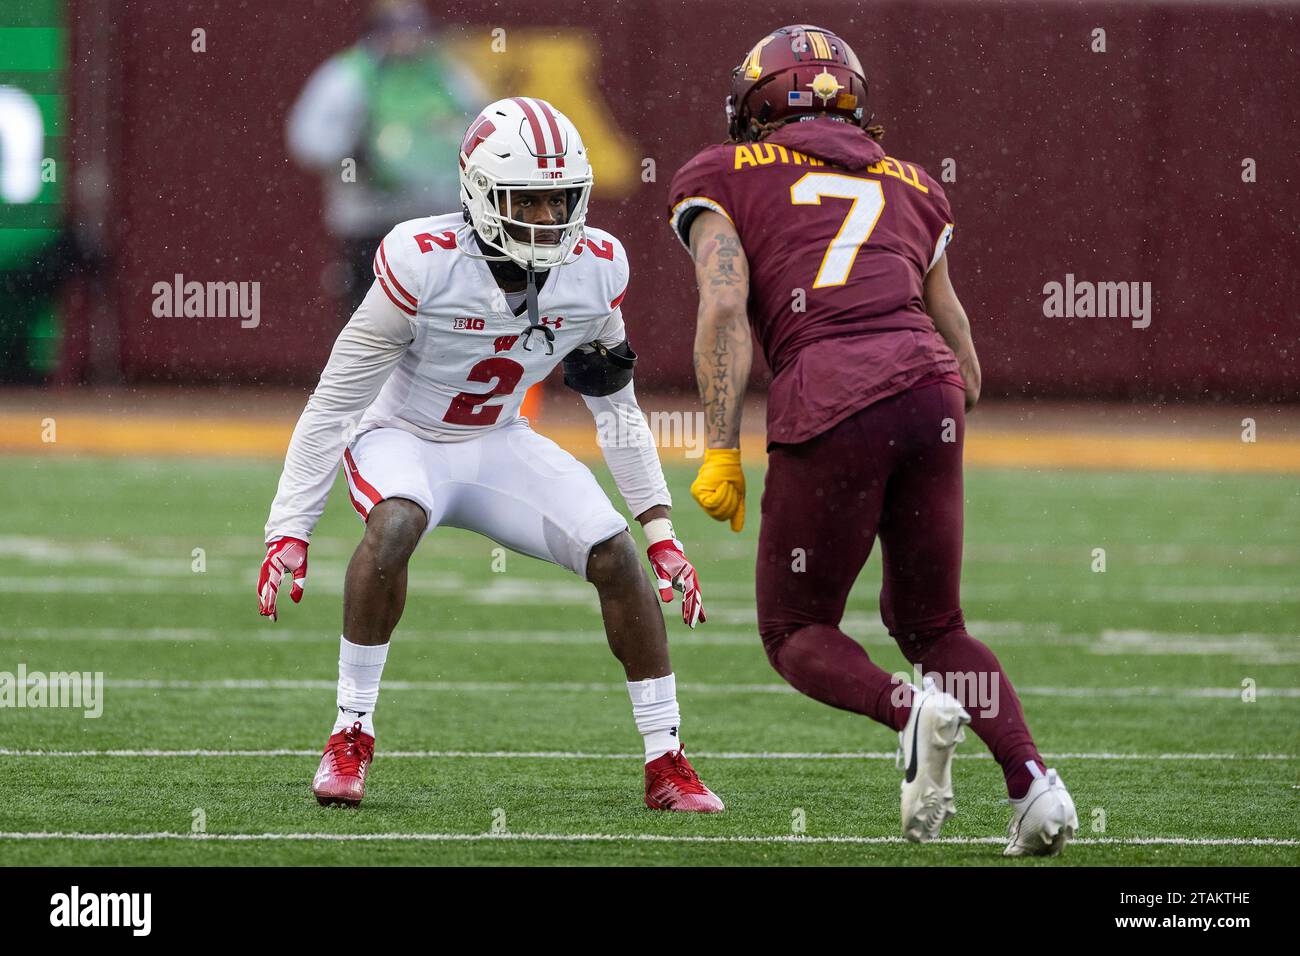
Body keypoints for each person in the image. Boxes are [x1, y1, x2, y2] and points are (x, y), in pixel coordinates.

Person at [668, 24, 1075, 854]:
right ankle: (1034, 786)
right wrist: (925, 424)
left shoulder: (723, 172)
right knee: (934, 625)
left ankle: (909, 710)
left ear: (754, 105)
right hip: (930, 389)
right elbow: (962, 352)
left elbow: (721, 307)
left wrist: (719, 445)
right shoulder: (913, 182)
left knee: (794, 629)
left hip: (832, 389)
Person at [259, 96, 723, 814]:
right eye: (527, 201)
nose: (547, 219)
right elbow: (336, 404)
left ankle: (666, 759)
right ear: (479, 193)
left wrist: (661, 532)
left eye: (560, 200)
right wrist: (288, 529)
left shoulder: (596, 268)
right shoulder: (422, 262)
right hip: (401, 435)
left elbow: (616, 408)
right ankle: (350, 732)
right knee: (396, 523)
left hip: (499, 441)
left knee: (615, 553)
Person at [287, 0, 486, 316]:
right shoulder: (349, 75)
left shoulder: (446, 75)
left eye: (413, 29)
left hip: (436, 222)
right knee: (369, 317)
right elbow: (307, 137)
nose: (405, 39)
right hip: (369, 221)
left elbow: (483, 125)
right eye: (395, 30)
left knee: (437, 319)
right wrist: (352, 155)